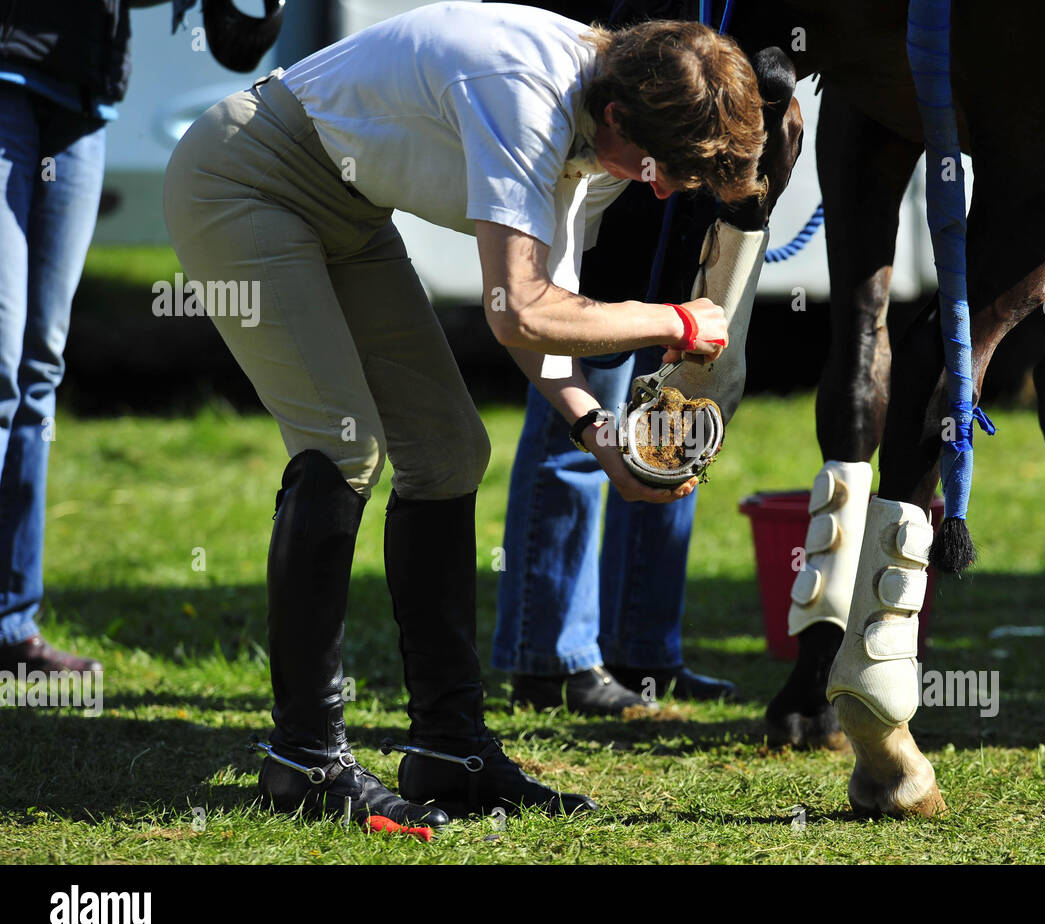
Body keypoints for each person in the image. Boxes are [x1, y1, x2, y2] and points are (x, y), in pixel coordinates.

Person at [162, 1, 766, 830]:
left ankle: (448, 748)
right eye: (657, 164)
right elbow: (519, 308)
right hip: (244, 179)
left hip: (346, 212)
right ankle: (304, 759)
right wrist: (676, 319)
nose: (657, 186)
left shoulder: (603, 125)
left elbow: (543, 314)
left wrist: (599, 432)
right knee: (345, 446)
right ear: (620, 114)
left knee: (449, 449)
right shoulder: (527, 92)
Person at [0, 0, 167, 677]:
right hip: (8, 74)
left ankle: (12, 626)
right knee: (1, 365)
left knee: (40, 365)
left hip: (84, 99)